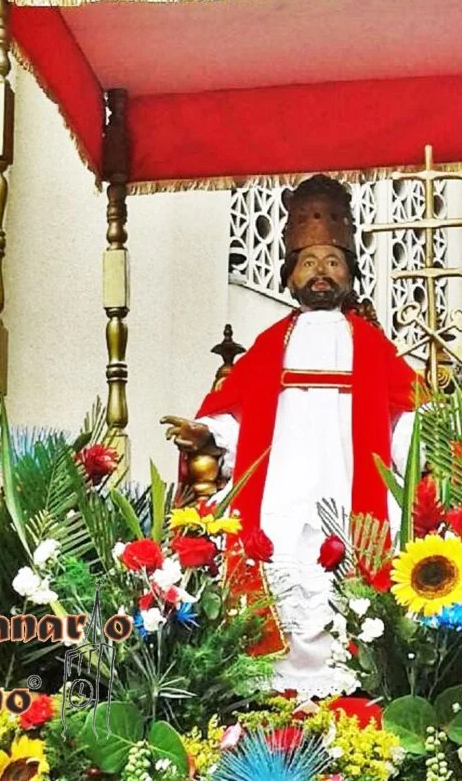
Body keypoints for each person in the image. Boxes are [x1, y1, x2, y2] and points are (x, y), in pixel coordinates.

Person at [163, 174, 422, 697]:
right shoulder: (269, 344)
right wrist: (206, 433)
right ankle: (271, 694)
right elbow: (232, 415)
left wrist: (426, 440)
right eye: (309, 263)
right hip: (279, 489)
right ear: (289, 277)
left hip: (351, 486)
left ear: (350, 274)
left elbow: (407, 417)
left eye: (332, 263)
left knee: (347, 591)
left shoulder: (370, 344)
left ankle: (354, 692)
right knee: (279, 575)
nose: (321, 273)